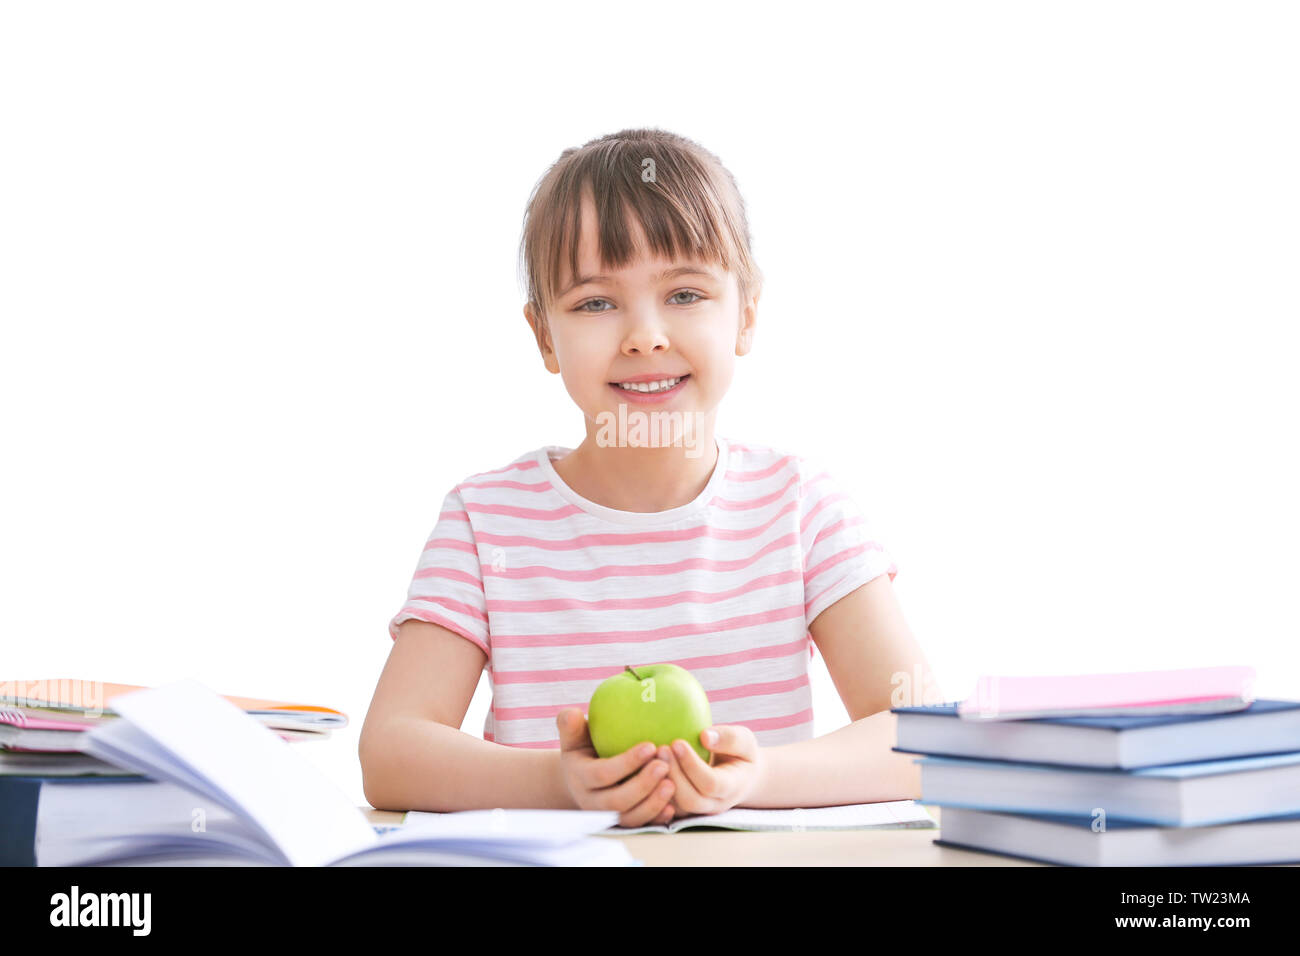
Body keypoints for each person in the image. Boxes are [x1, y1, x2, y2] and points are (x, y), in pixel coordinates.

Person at [359, 127, 940, 828]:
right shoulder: (486, 522)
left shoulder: (800, 510)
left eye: (686, 294)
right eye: (596, 303)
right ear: (545, 336)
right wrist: (560, 780)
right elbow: (390, 753)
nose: (645, 335)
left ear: (746, 315)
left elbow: (926, 740)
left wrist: (755, 776)